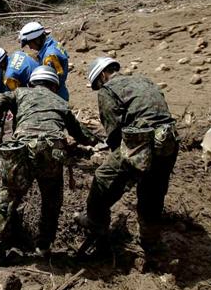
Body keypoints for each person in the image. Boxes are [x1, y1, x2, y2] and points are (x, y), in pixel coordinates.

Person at [0, 66, 99, 263]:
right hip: (51, 150)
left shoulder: (20, 92)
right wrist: (94, 141)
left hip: (21, 148)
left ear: (31, 83)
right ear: (54, 86)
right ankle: (43, 246)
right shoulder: (60, 102)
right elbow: (79, 133)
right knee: (51, 200)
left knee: (8, 196)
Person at [76, 57, 179, 254]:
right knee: (153, 190)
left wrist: (122, 163)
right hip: (168, 139)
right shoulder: (144, 80)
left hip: (141, 140)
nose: (99, 87)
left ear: (103, 75)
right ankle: (150, 242)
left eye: (97, 84)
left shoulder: (108, 90)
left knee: (102, 180)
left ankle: (95, 224)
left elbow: (114, 132)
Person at [19, 22, 70, 101]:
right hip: (61, 91)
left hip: (55, 97)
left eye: (29, 43)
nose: (30, 47)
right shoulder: (54, 44)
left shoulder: (49, 57)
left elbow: (48, 83)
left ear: (37, 40)